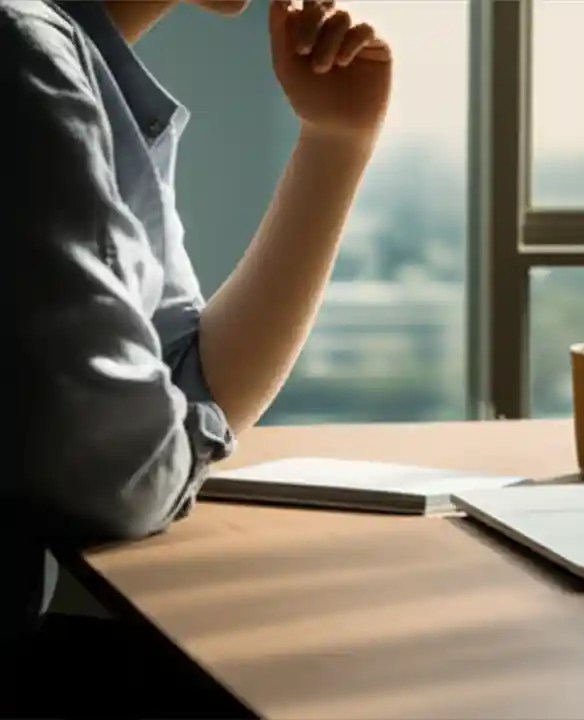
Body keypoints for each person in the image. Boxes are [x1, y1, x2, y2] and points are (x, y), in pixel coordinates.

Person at [4, 0, 391, 713]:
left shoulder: (79, 68)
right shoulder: (22, 52)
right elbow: (118, 476)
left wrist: (337, 143)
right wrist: (160, 437)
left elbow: (187, 386)